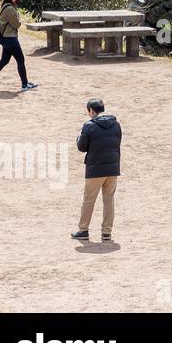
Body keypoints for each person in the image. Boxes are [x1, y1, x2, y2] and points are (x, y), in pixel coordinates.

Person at [71, 99, 121, 242]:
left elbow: (82, 147)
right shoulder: (116, 124)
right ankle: (106, 233)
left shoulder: (89, 126)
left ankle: (83, 230)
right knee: (109, 200)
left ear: (92, 111)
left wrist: (79, 137)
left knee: (89, 200)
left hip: (95, 169)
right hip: (113, 168)